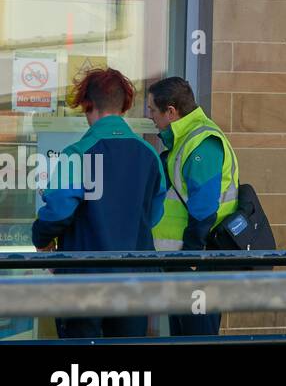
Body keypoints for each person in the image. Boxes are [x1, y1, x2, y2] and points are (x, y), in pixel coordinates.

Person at [32, 67, 165, 339]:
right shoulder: (150, 155)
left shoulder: (78, 153)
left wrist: (41, 237)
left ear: (88, 105)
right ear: (124, 105)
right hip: (136, 279)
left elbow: (58, 211)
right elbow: (154, 213)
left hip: (85, 279)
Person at [145, 76, 240, 337]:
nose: (150, 116)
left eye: (153, 110)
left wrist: (191, 256)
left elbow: (204, 208)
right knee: (184, 336)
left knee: (197, 336)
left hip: (197, 262)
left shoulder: (200, 142)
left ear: (171, 112)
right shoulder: (183, 140)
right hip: (185, 261)